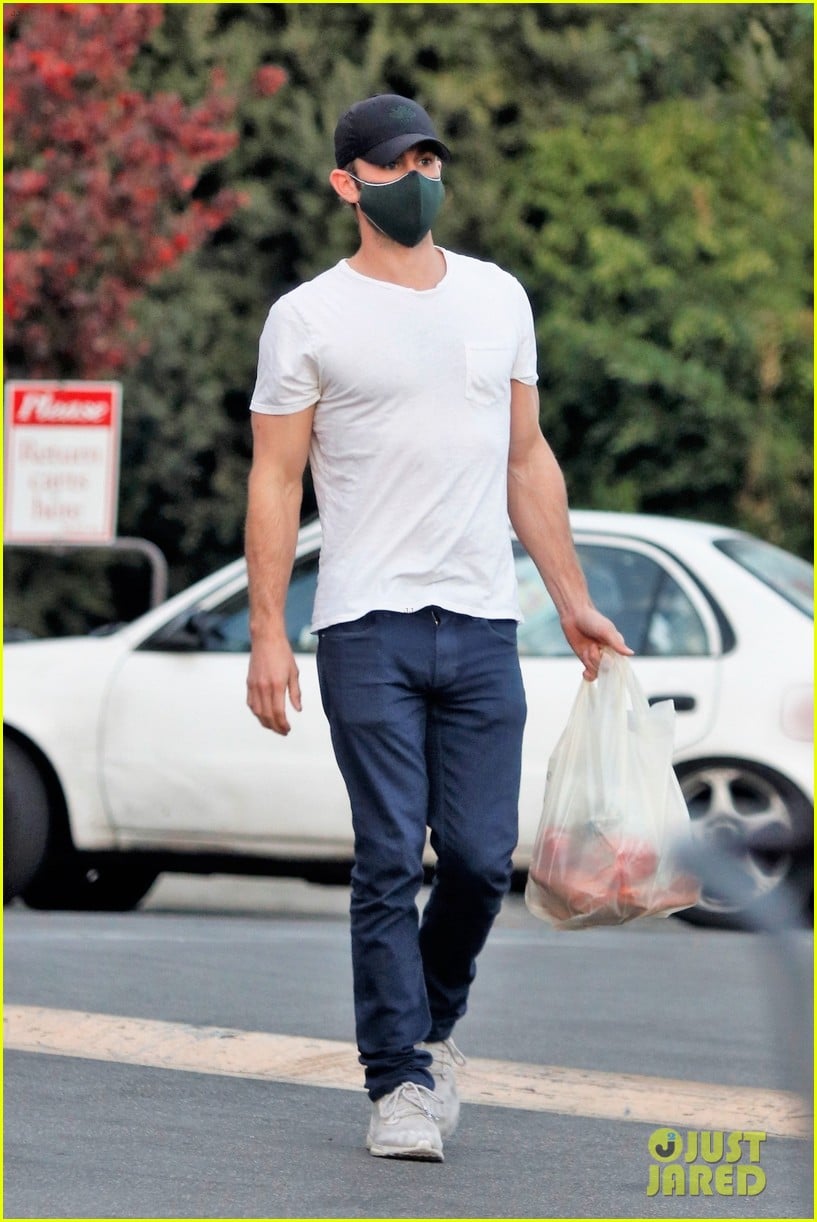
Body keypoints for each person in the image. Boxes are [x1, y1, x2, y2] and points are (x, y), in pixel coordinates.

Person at [245, 93, 631, 1162]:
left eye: (427, 156)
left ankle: (432, 1027)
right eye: (393, 161)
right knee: (386, 854)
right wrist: (267, 628)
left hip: (479, 622)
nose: (417, 174)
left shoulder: (498, 298)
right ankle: (397, 1083)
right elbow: (276, 480)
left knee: (472, 857)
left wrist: (571, 595)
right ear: (347, 184)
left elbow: (526, 459)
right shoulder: (308, 317)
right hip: (363, 623)